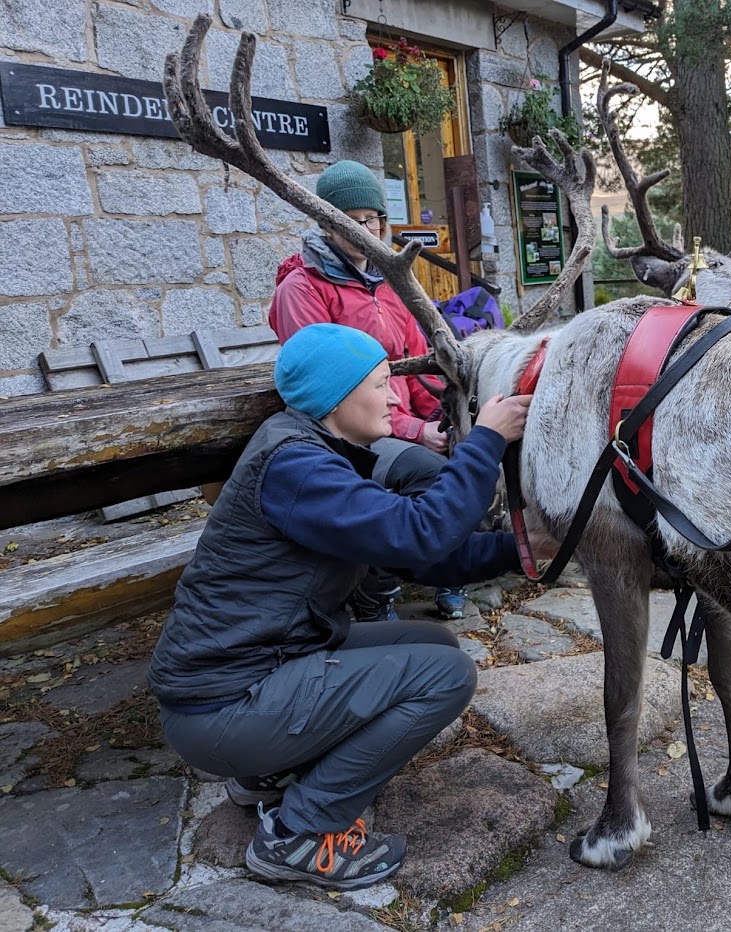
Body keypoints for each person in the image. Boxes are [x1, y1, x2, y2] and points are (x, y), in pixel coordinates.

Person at [147, 323, 535, 890]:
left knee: (435, 644)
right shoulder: (295, 467)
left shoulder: (316, 453)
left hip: (257, 675)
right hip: (223, 707)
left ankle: (272, 770)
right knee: (445, 676)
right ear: (338, 396)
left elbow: (414, 561)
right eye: (380, 384)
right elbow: (419, 534)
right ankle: (299, 833)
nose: (395, 398)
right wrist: (487, 442)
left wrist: (520, 551)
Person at [268, 159, 469, 621]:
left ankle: (449, 569)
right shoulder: (302, 288)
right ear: (326, 222)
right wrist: (416, 432)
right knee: (427, 475)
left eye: (373, 220)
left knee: (471, 456)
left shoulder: (391, 281)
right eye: (352, 221)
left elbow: (422, 364)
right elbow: (331, 386)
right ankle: (372, 595)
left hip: (398, 420)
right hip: (345, 435)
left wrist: (443, 417)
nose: (366, 230)